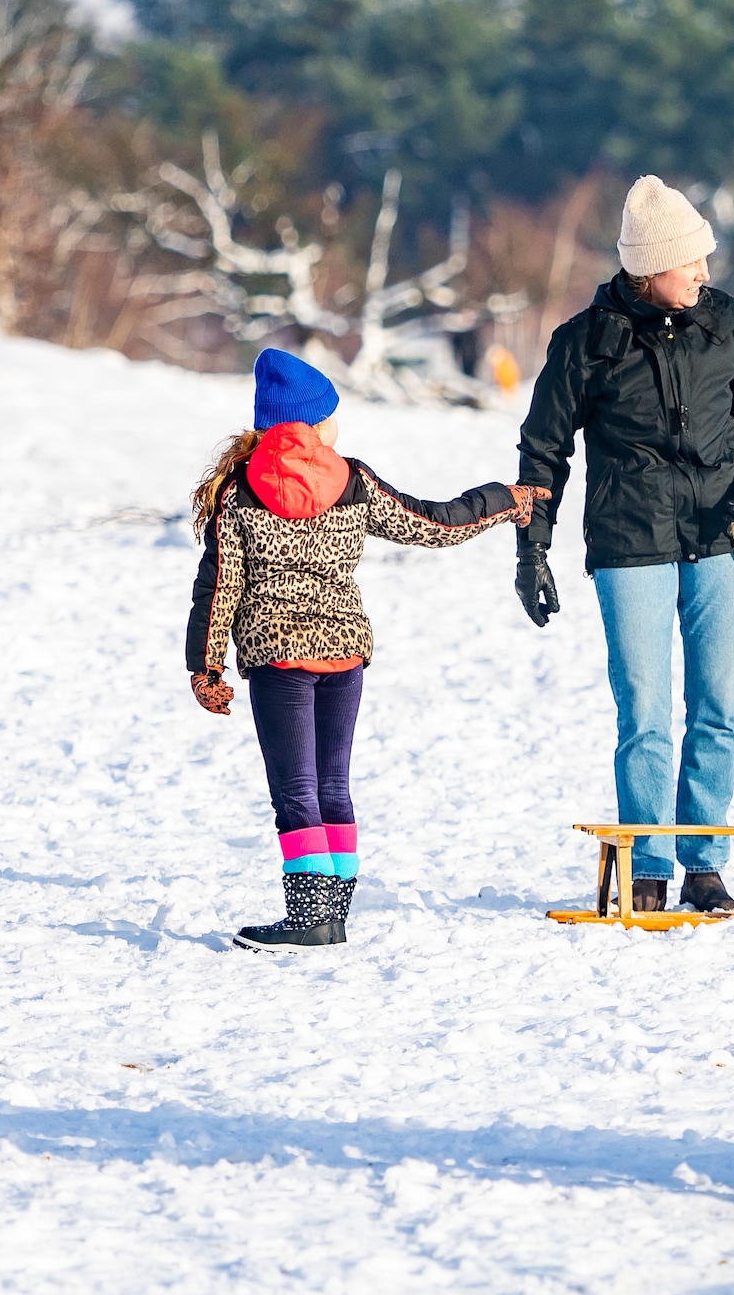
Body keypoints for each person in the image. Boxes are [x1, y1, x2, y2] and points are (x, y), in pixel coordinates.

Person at [186, 349, 542, 951]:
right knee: (332, 785)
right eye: (331, 416)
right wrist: (502, 500)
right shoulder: (353, 479)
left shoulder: (240, 492)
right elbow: (432, 523)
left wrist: (206, 667)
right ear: (313, 423)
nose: (337, 426)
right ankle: (332, 914)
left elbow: (220, 586)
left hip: (279, 661)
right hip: (344, 655)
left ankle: (311, 918)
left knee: (296, 790)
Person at [514, 177, 734, 913]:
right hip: (631, 543)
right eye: (690, 260)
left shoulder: (726, 320)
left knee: (717, 708)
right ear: (650, 267)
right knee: (644, 715)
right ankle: (649, 865)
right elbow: (543, 450)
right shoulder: (585, 342)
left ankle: (705, 866)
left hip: (724, 537)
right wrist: (532, 548)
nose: (703, 272)